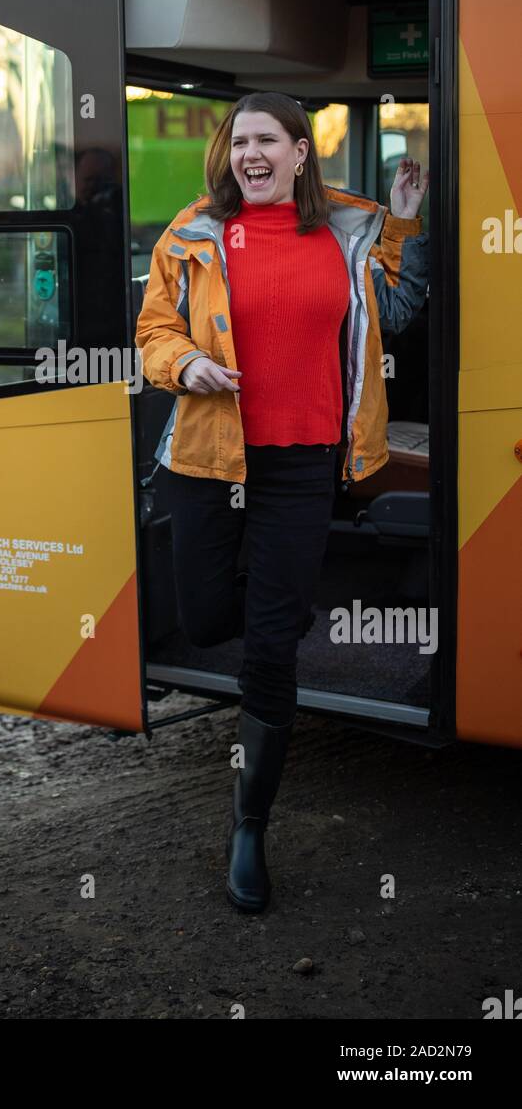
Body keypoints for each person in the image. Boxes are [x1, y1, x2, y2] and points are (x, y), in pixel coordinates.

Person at [134, 91, 429, 913]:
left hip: (302, 464)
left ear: (302, 153)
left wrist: (403, 225)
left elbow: (395, 314)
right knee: (200, 620)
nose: (251, 154)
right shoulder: (193, 234)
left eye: (269, 140)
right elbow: (153, 331)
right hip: (206, 461)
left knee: (269, 649)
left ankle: (250, 827)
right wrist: (184, 364)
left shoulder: (345, 234)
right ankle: (280, 605)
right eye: (240, 142)